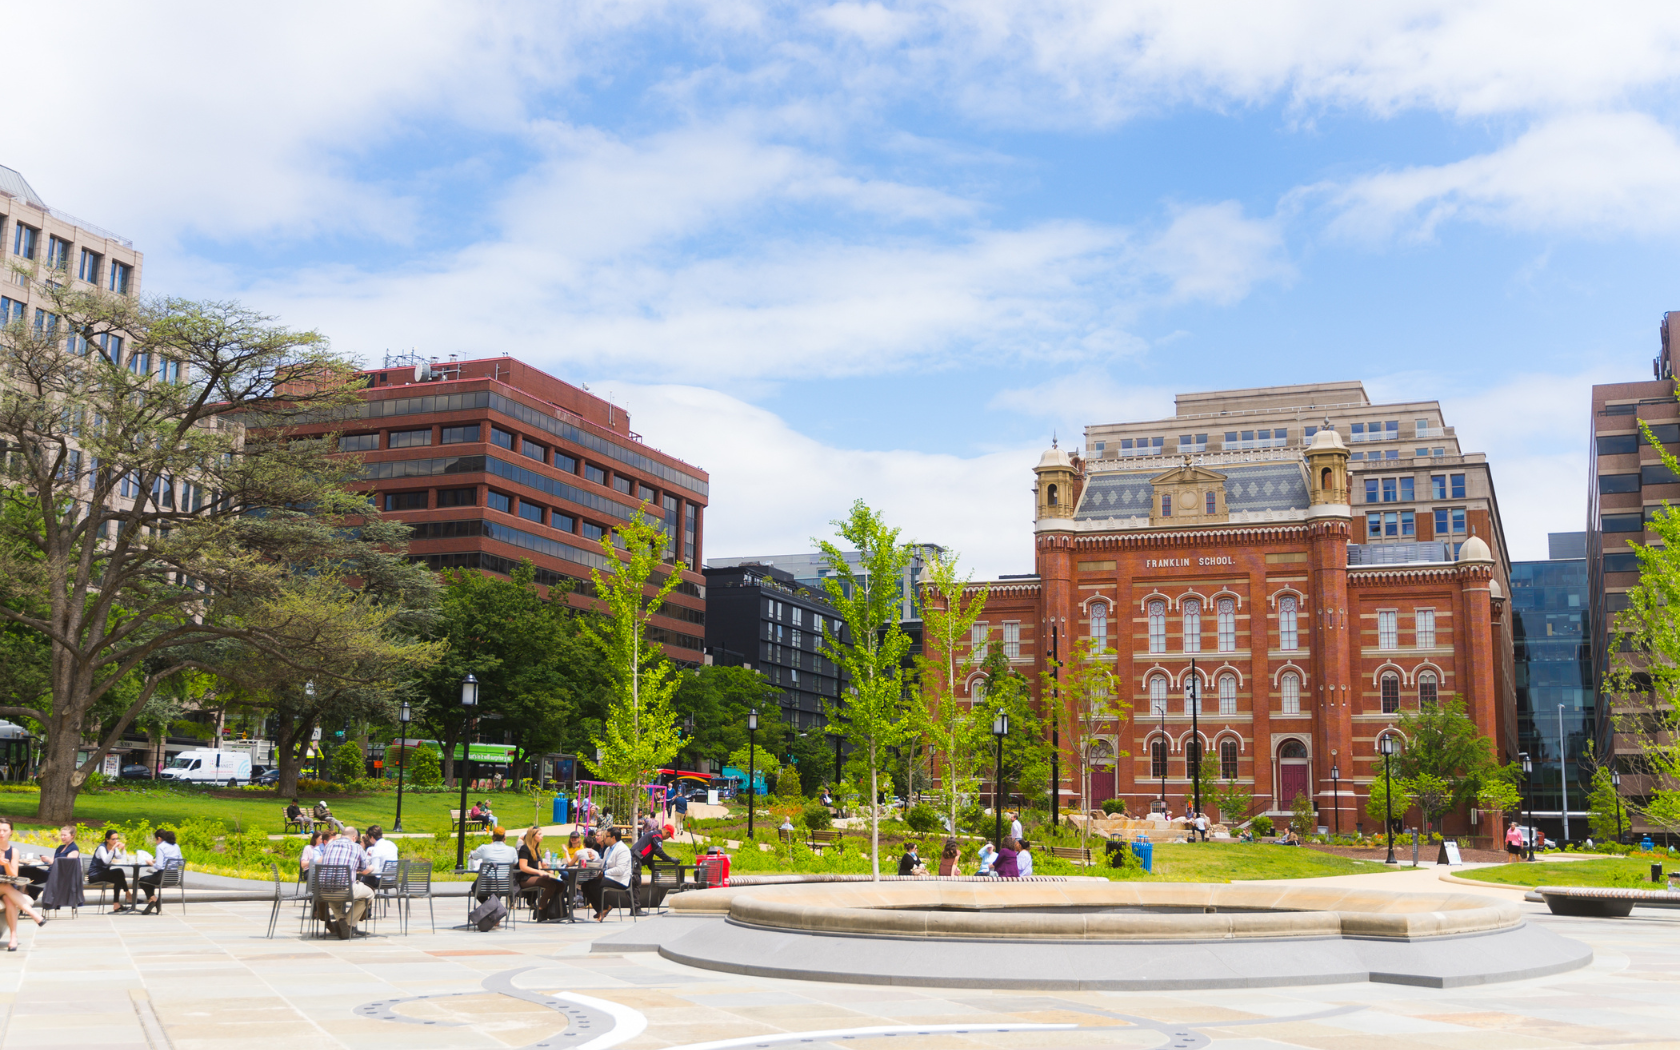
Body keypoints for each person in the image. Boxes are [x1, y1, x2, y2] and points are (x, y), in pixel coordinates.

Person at [316, 826, 374, 939]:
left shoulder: (329, 845)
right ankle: (347, 923)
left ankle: (340, 918)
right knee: (369, 894)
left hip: (323, 891)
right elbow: (363, 868)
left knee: (332, 892)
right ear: (354, 837)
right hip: (345, 889)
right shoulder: (357, 847)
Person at [0, 818, 48, 950]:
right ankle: (33, 914)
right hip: (3, 887)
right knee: (5, 887)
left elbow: (13, 875)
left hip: (7, 888)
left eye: (5, 830)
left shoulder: (13, 851)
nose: (1, 833)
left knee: (9, 901)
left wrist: (5, 864)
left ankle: (13, 937)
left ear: (11, 832)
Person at [584, 828, 632, 922]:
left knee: (594, 885)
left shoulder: (623, 850)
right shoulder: (608, 849)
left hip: (620, 880)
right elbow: (604, 864)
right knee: (585, 885)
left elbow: (620, 870)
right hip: (610, 877)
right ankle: (600, 909)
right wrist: (595, 859)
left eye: (606, 836)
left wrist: (604, 873)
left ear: (613, 838)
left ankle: (606, 907)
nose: (604, 838)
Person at [517, 827, 565, 921]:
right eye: (539, 834)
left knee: (560, 884)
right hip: (525, 879)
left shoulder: (537, 850)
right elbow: (523, 867)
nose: (542, 836)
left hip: (535, 877)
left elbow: (539, 866)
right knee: (550, 884)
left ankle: (553, 909)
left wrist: (547, 870)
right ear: (532, 836)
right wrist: (539, 872)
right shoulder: (524, 848)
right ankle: (541, 908)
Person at [136, 829, 184, 915]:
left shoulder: (160, 847)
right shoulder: (176, 846)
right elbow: (180, 862)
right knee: (150, 880)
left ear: (158, 838)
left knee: (142, 880)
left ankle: (155, 900)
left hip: (162, 877)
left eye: (155, 840)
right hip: (175, 877)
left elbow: (158, 866)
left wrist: (150, 863)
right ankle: (152, 902)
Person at [88, 829, 136, 913]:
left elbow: (122, 859)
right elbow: (106, 861)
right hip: (94, 875)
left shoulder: (114, 848)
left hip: (104, 873)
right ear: (107, 839)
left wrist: (123, 849)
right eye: (113, 839)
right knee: (119, 872)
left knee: (119, 877)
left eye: (117, 839)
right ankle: (128, 895)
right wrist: (113, 849)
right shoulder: (102, 848)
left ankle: (116, 904)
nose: (116, 841)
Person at [365, 825, 399, 889]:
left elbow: (375, 870)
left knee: (361, 880)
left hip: (380, 881)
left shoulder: (376, 849)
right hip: (392, 880)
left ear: (372, 837)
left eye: (368, 838)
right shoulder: (392, 844)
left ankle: (365, 898)